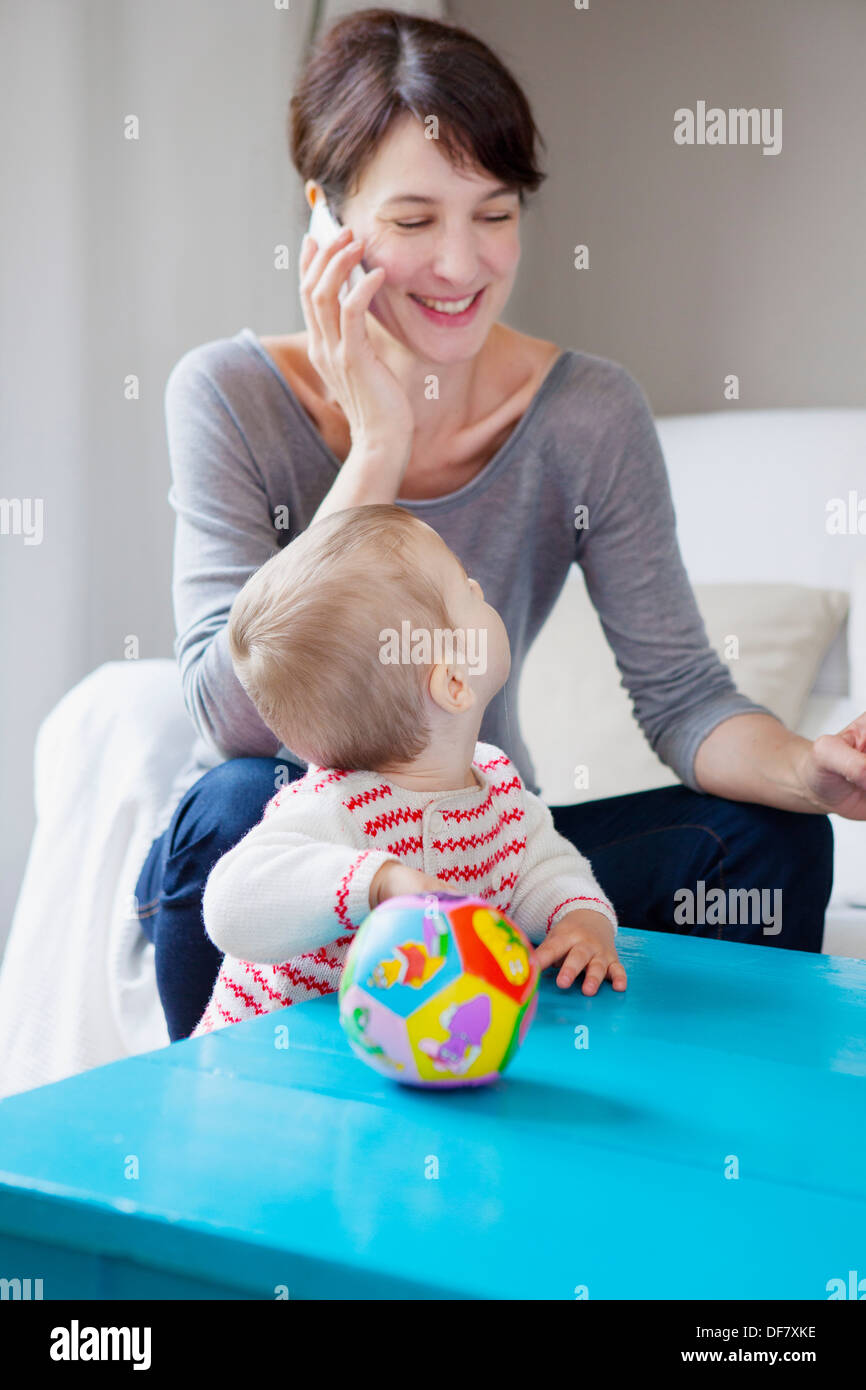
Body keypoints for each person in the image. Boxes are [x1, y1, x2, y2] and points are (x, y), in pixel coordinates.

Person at [137, 8, 851, 1044]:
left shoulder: (585, 410)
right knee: (236, 797)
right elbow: (234, 719)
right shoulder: (227, 393)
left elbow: (682, 696)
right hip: (298, 853)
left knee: (766, 839)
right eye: (415, 219)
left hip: (480, 850)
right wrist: (376, 446)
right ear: (326, 222)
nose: (462, 264)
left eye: (495, 212)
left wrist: (805, 770)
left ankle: (675, 1131)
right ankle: (225, 1127)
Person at [191, 503, 624, 1038]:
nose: (480, 588)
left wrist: (580, 918)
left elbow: (547, 871)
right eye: (466, 592)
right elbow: (231, 905)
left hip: (391, 1066)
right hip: (262, 1073)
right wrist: (377, 883)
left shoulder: (498, 788)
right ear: (455, 683)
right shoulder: (335, 807)